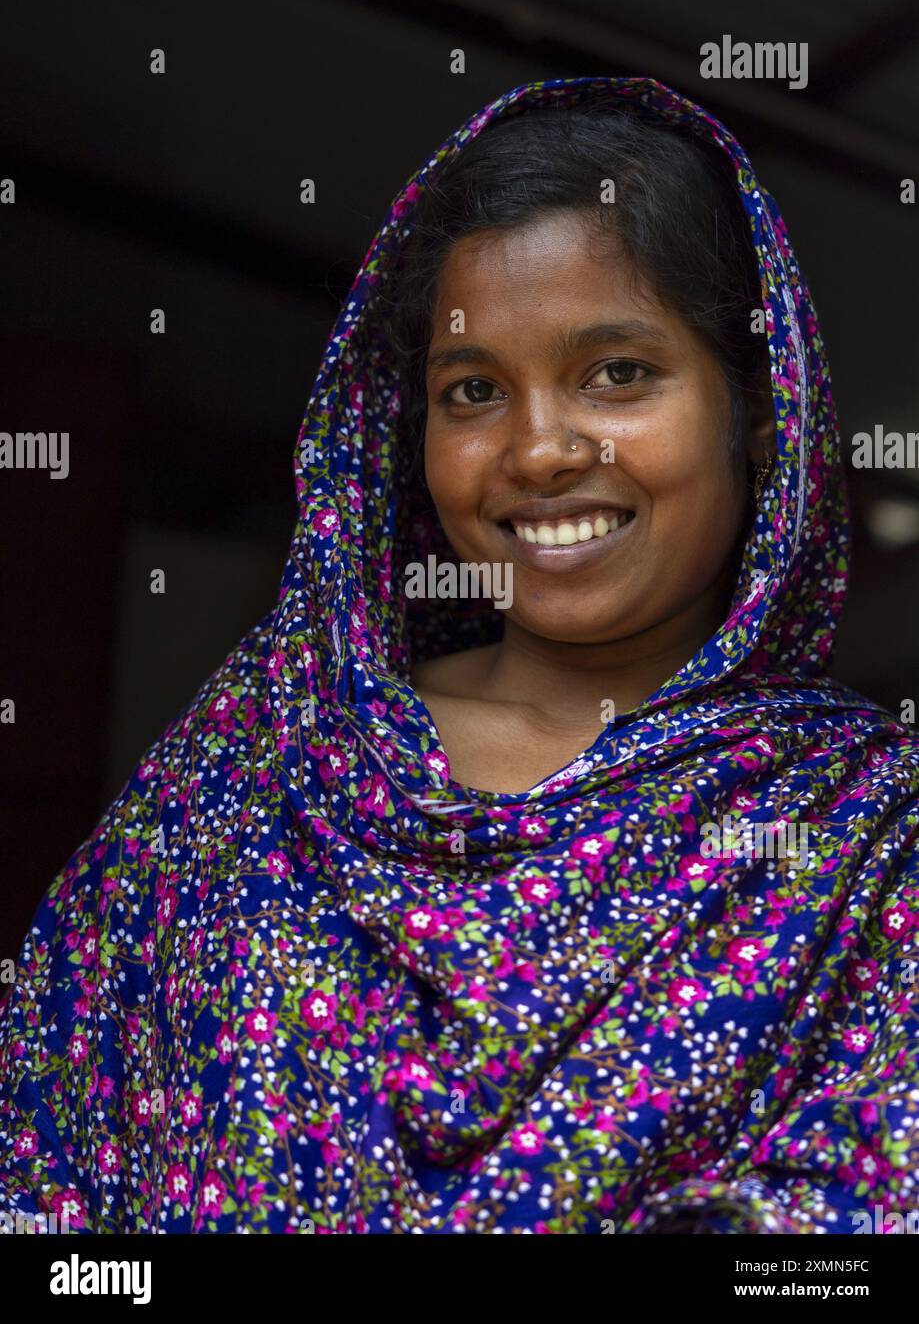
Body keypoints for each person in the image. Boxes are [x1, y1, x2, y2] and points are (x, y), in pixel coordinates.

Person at [1, 76, 917, 1235]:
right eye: (474, 389)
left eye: (617, 372)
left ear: (757, 416)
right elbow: (41, 1163)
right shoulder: (264, 757)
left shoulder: (864, 833)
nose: (537, 449)